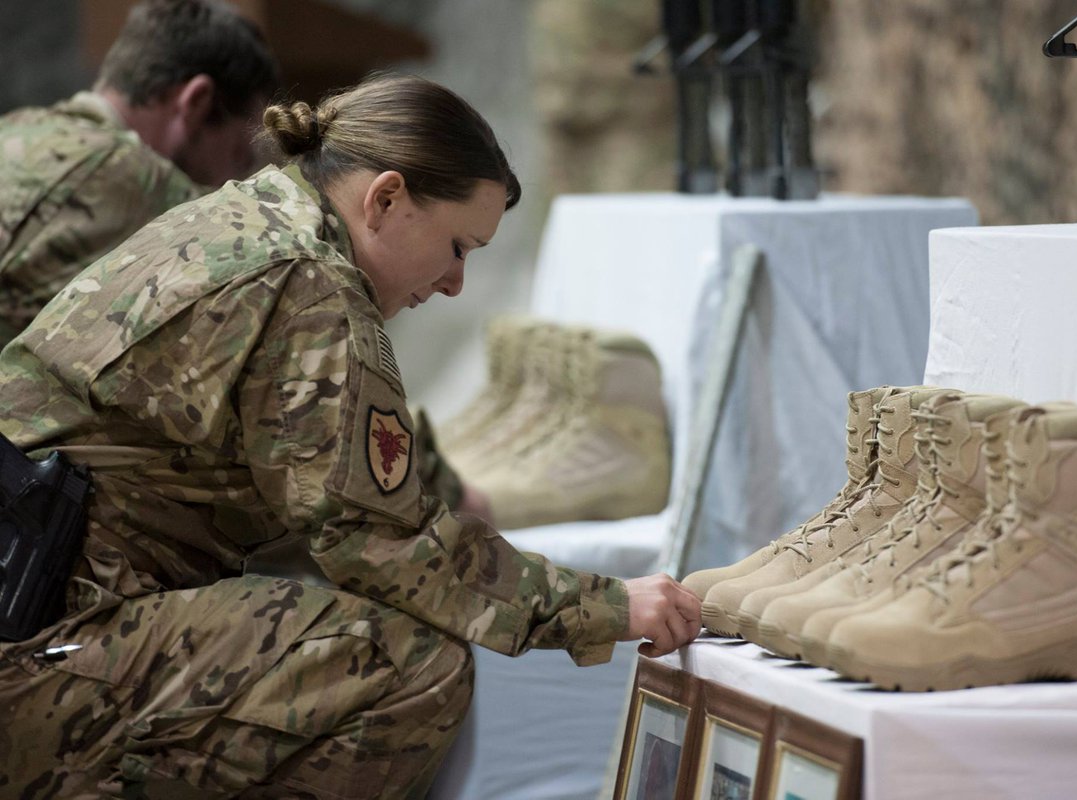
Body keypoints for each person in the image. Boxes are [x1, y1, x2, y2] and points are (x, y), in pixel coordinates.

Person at [0, 73, 701, 798]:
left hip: (41, 613)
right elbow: (384, 546)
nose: (457, 281)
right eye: (459, 246)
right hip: (36, 655)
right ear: (386, 198)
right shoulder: (311, 285)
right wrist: (608, 606)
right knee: (406, 666)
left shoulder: (236, 218)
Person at [0, 0, 280, 350]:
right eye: (240, 154)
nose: (230, 179)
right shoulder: (140, 183)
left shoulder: (16, 128)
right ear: (197, 102)